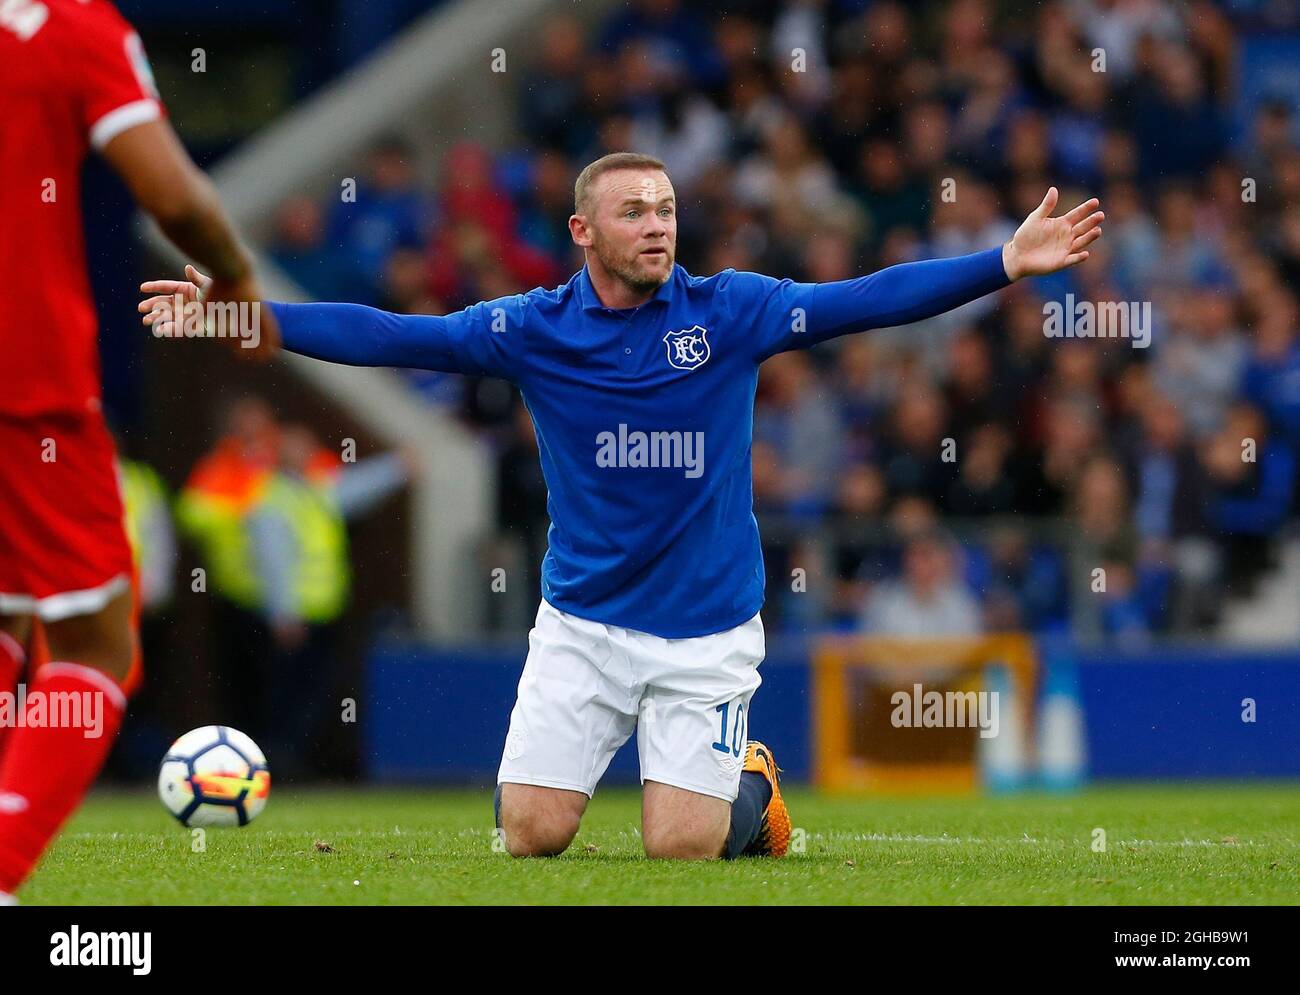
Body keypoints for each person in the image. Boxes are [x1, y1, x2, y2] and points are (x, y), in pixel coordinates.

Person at [140, 151, 1102, 859]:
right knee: (530, 833)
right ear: (584, 231)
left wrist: (1001, 265)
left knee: (678, 847)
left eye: (668, 208)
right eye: (635, 210)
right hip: (584, 621)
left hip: (706, 628)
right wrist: (236, 313)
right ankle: (603, 782)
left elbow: (864, 299)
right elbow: (391, 334)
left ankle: (750, 789)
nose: (657, 224)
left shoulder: (730, 310)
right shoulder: (528, 328)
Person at [0, 0, 274, 902]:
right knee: (98, 645)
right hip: (23, 376)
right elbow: (173, 195)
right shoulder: (72, 29)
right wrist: (234, 277)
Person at [246, 426, 411, 776]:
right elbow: (274, 562)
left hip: (324, 614)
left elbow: (357, 487)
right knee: (287, 696)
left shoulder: (314, 491)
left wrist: (397, 466)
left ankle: (293, 761)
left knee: (312, 693)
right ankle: (278, 762)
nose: (306, 452)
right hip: (295, 617)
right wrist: (283, 613)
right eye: (298, 447)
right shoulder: (274, 499)